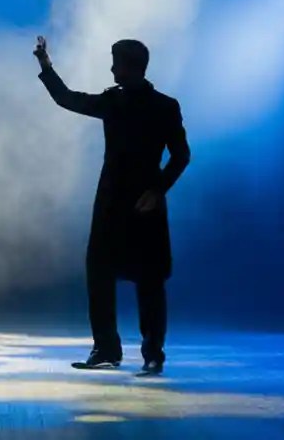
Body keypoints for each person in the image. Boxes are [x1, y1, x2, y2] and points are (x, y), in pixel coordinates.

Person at [34, 35, 190, 377]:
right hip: (113, 203)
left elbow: (181, 156)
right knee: (101, 274)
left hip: (142, 204)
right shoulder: (115, 101)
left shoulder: (163, 106)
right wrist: (46, 67)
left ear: (130, 67)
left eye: (116, 62)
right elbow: (67, 99)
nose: (111, 68)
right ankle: (107, 349)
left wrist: (158, 189)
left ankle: (151, 353)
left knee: (149, 281)